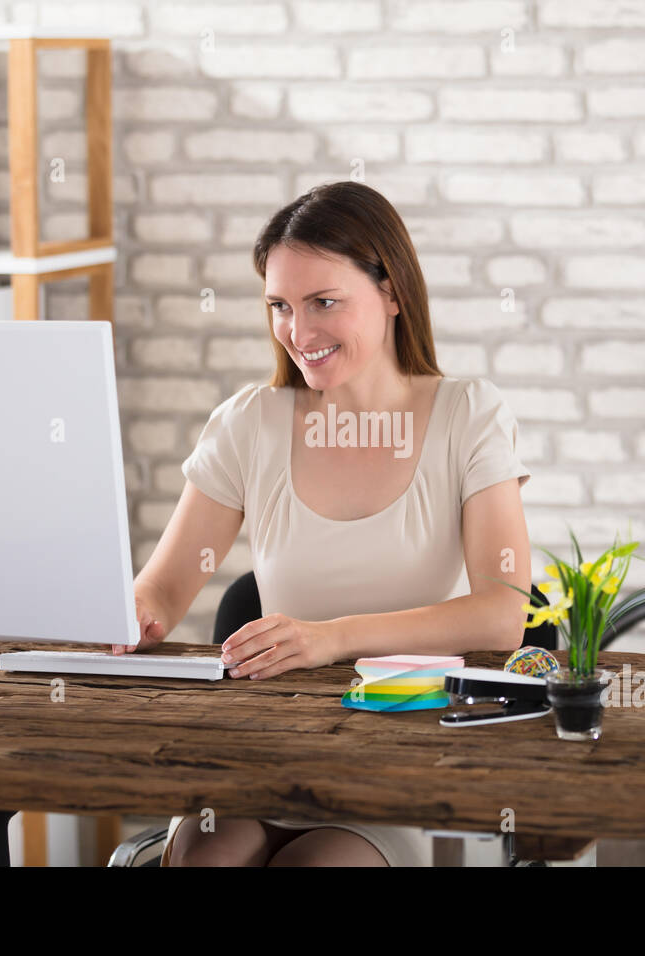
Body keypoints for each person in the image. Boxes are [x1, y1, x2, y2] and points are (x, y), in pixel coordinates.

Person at [114, 180, 533, 866]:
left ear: (392, 292)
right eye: (280, 306)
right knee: (202, 859)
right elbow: (160, 593)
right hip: (272, 751)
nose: (298, 333)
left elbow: (502, 613)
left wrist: (330, 640)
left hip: (410, 759)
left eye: (324, 303)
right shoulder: (251, 423)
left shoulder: (469, 415)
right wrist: (131, 617)